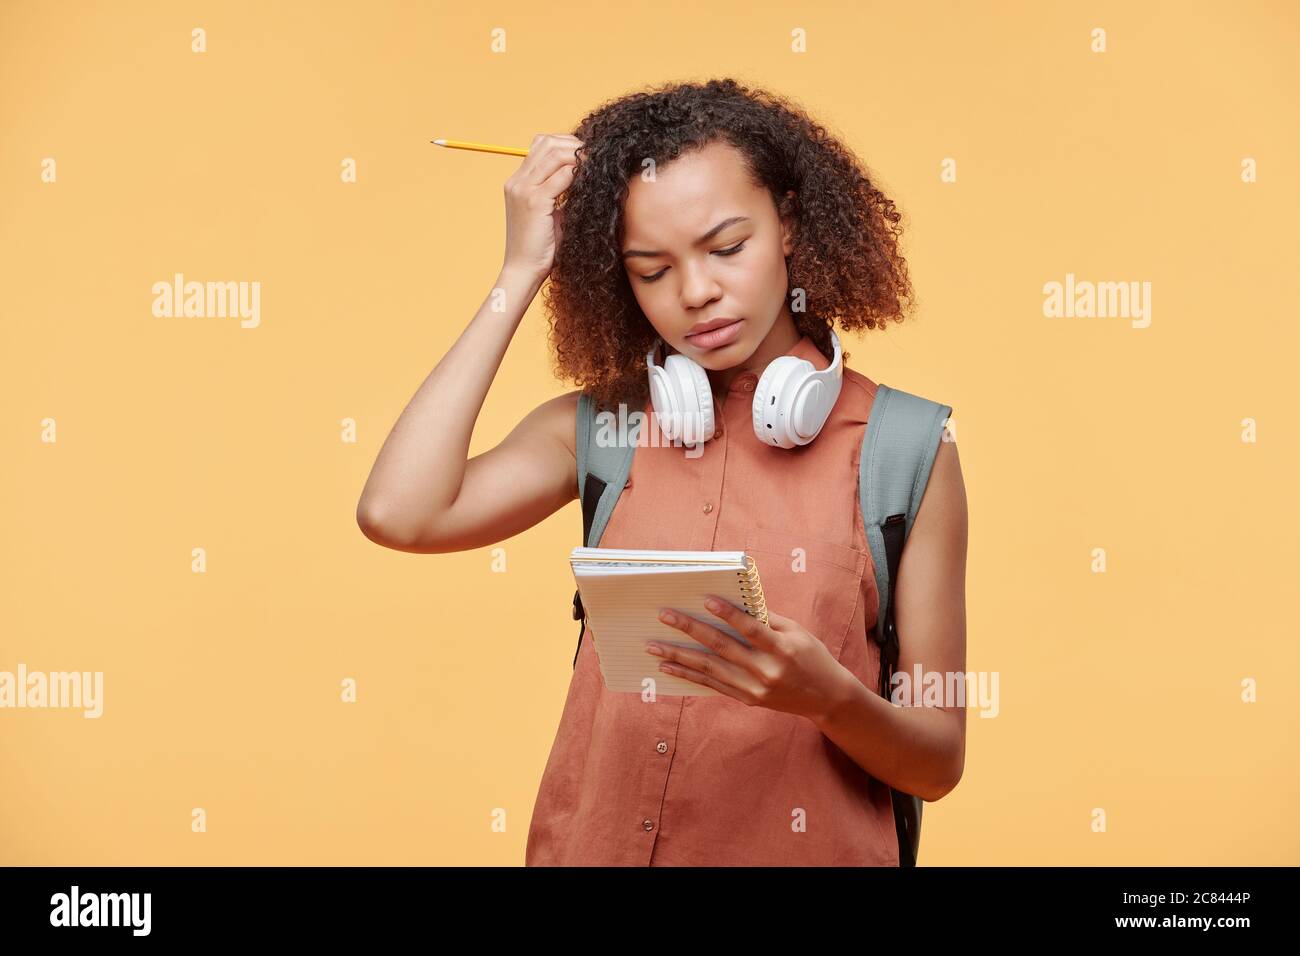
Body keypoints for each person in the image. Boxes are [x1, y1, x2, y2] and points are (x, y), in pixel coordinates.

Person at [356, 78, 968, 866]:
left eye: (727, 247)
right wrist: (520, 271)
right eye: (651, 269)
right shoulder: (601, 431)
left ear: (787, 222)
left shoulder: (908, 449)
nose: (696, 292)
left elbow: (938, 760)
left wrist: (829, 699)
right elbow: (398, 514)